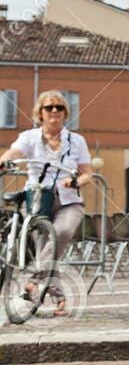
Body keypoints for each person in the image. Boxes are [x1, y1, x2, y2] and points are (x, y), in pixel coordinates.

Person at [1, 90, 93, 316]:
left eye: (59, 107)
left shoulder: (77, 141)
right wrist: (3, 161)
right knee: (47, 248)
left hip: (68, 200)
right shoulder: (29, 137)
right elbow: (14, 152)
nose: (54, 111)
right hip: (37, 199)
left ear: (65, 113)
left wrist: (75, 181)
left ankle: (33, 282)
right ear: (39, 113)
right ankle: (59, 299)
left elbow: (87, 174)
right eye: (49, 107)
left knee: (59, 234)